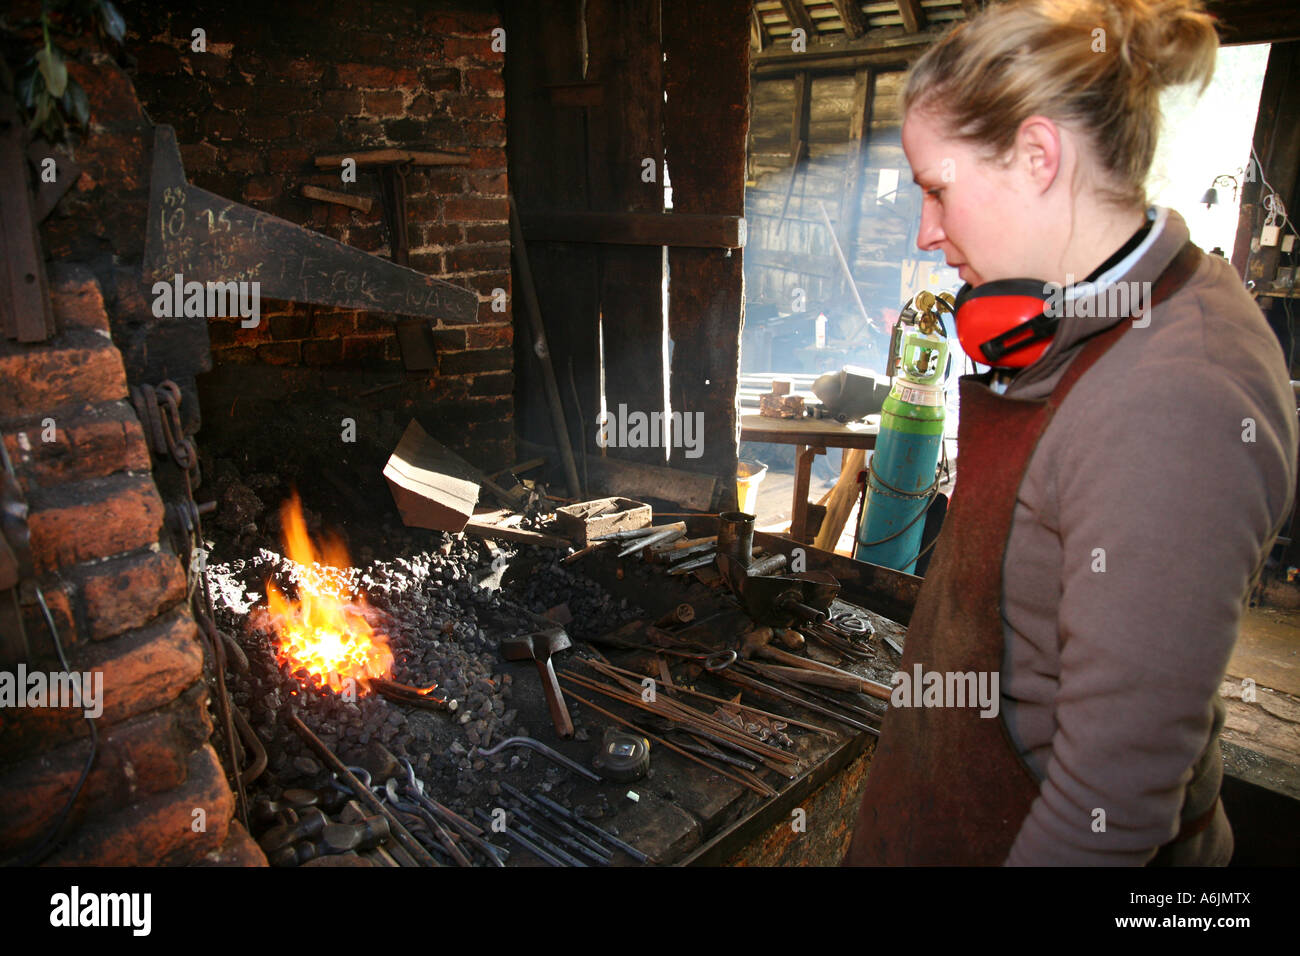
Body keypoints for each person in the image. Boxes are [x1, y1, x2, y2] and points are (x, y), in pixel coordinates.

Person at [845, 0, 1297, 865]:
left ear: (1038, 156)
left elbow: (1109, 814)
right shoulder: (1076, 323)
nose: (925, 233)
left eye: (937, 189)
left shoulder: (1177, 401)